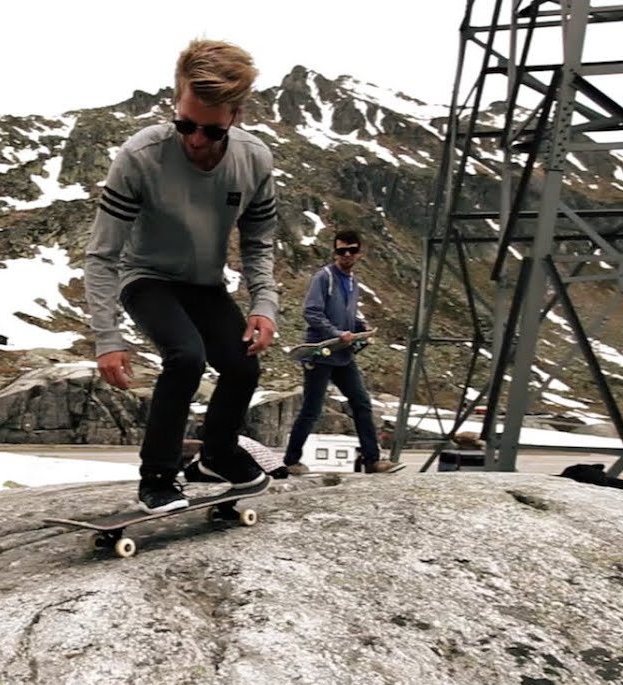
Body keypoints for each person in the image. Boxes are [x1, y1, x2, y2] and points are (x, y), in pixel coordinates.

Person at [85, 38, 280, 513]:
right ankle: (157, 477)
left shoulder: (254, 160)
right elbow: (102, 255)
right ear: (176, 104)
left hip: (204, 283)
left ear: (236, 116)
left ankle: (216, 457)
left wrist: (264, 304)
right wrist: (107, 337)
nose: (195, 140)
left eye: (211, 131)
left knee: (242, 366)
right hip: (146, 276)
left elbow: (259, 242)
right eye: (185, 125)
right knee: (186, 357)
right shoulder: (140, 156)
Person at [283, 229, 396, 474]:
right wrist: (335, 332)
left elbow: (347, 314)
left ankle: (372, 460)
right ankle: (291, 461)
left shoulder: (353, 282)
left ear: (359, 253)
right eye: (341, 250)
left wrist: (360, 327)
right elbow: (312, 312)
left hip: (342, 354)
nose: (346, 255)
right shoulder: (324, 277)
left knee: (361, 403)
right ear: (335, 252)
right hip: (320, 352)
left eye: (351, 250)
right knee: (312, 409)